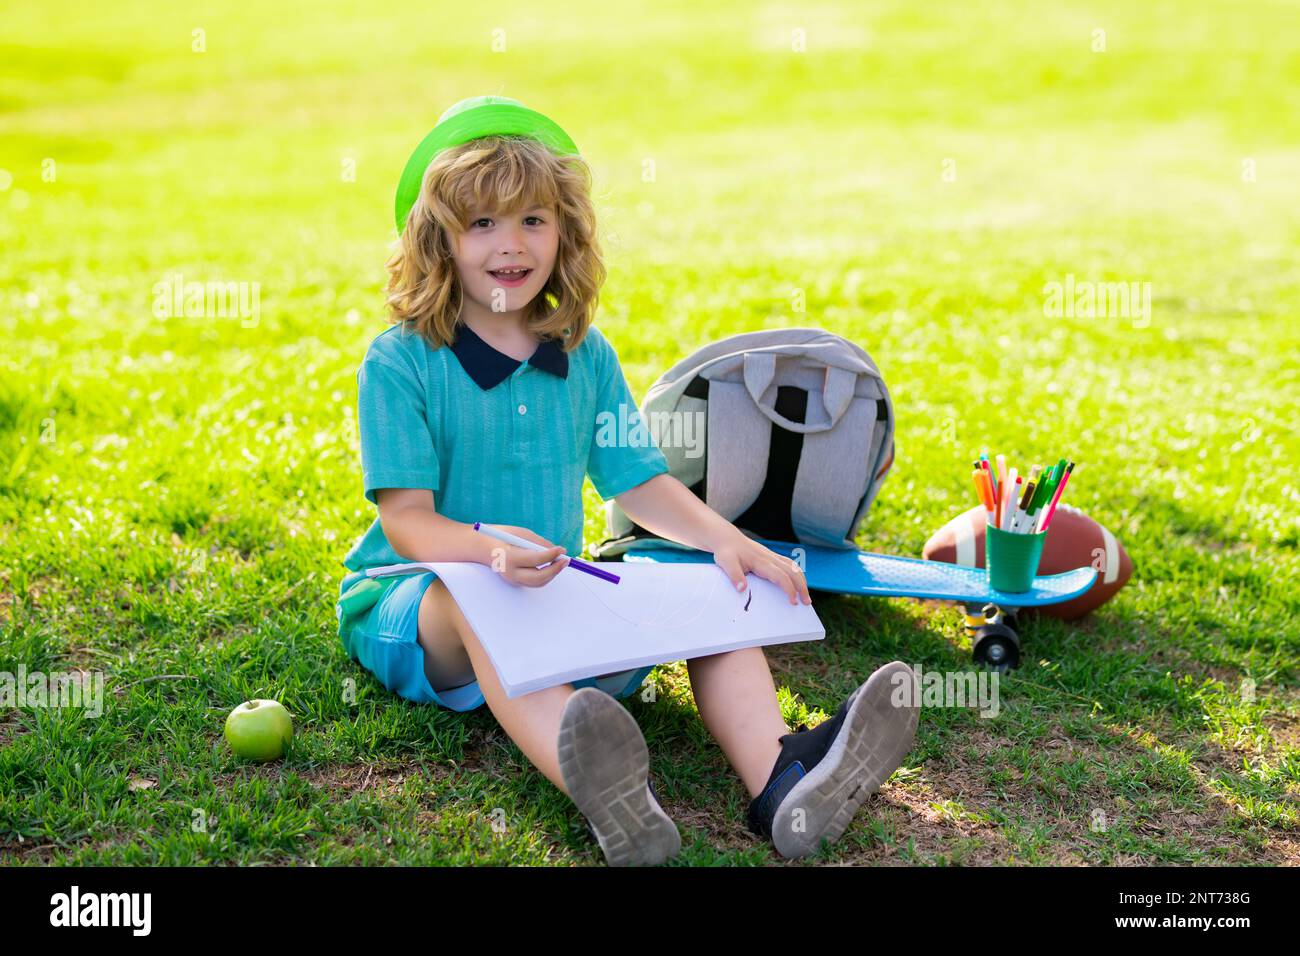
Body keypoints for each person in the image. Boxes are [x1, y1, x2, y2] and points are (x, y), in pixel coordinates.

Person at [335, 95, 919, 865]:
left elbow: (638, 485)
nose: (511, 245)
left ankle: (781, 779)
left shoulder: (581, 355)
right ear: (437, 240)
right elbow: (410, 521)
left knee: (713, 578)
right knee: (474, 594)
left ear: (565, 233)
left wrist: (729, 543)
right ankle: (608, 799)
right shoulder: (402, 361)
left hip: (556, 601)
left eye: (532, 221)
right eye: (482, 224)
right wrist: (491, 551)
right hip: (424, 607)